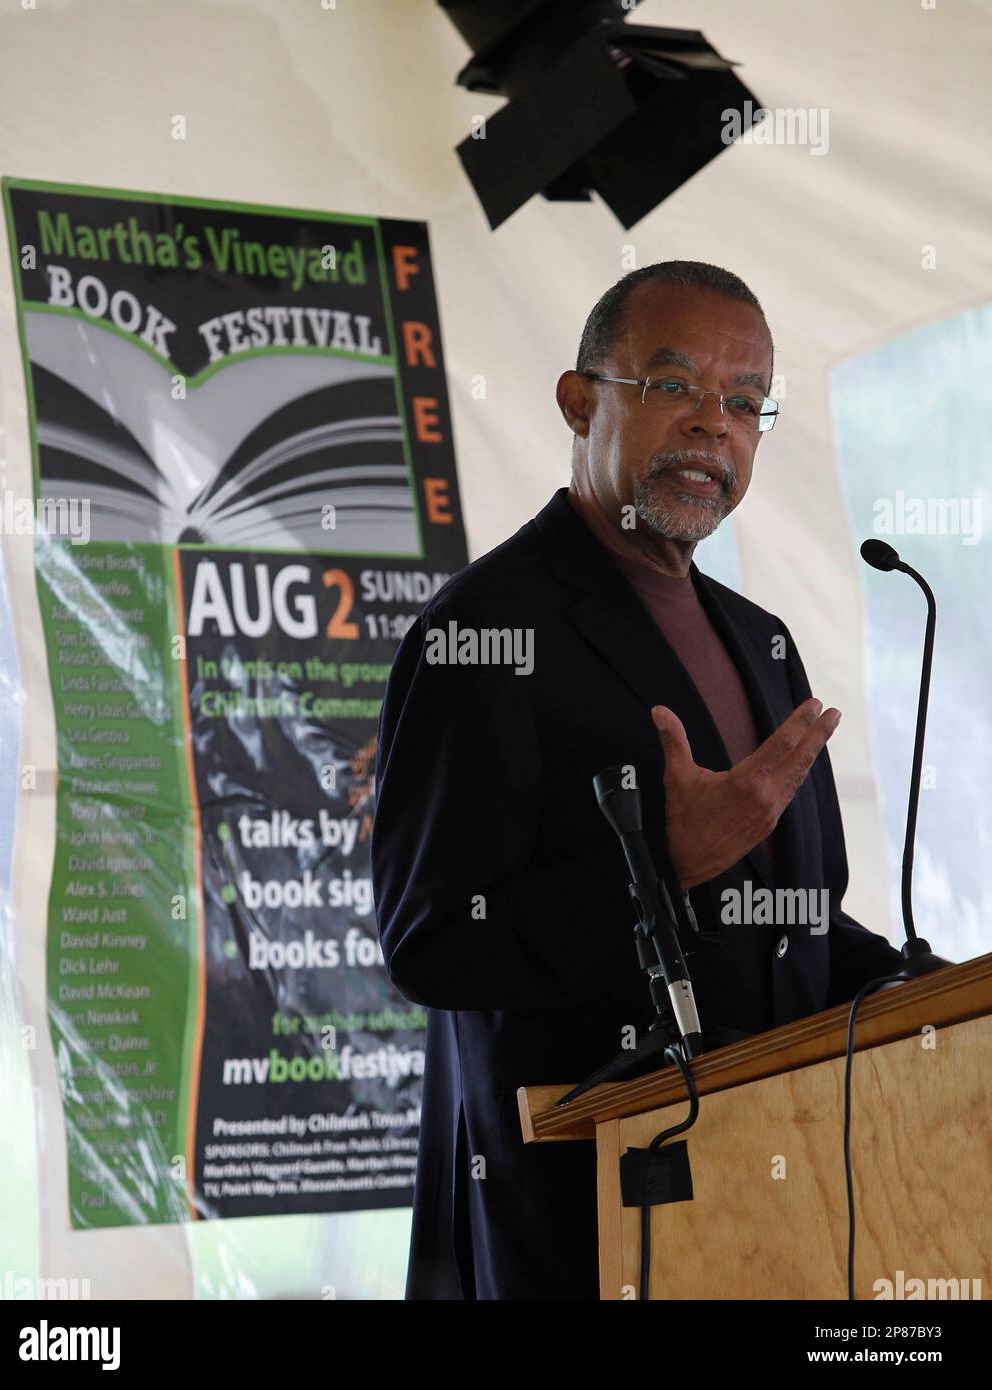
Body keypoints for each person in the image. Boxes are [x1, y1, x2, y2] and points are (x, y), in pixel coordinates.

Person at [370, 261, 904, 1300]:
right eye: (675, 387)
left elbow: (791, 924)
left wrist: (915, 990)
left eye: (746, 403)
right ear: (580, 401)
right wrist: (659, 866)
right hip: (589, 1226)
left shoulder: (764, 642)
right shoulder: (483, 634)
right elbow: (430, 940)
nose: (716, 425)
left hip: (778, 1210)